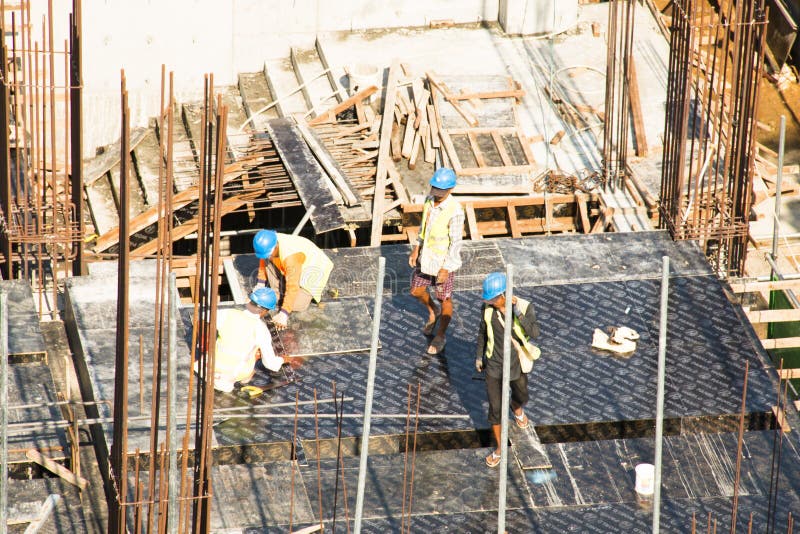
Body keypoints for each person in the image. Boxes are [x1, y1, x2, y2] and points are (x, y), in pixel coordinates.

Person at [475, 272, 540, 468]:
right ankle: (500, 449)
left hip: (516, 364)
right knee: (495, 410)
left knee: (522, 394)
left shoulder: (524, 307)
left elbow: (535, 333)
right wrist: (479, 356)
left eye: (494, 298)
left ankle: (517, 407)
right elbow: (482, 333)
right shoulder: (487, 309)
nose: (491, 302)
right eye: (489, 299)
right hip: (494, 365)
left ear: (505, 294)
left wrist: (515, 312)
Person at [408, 167, 464, 355]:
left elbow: (456, 242)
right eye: (435, 190)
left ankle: (440, 335)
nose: (437, 195)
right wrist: (416, 248)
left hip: (442, 262)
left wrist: (446, 268)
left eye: (441, 192)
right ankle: (434, 310)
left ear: (451, 189)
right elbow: (424, 228)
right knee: (416, 291)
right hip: (426, 258)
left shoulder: (455, 211)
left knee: (444, 298)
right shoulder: (429, 201)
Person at [205, 287, 287, 393]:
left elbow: (202, 318)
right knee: (256, 352)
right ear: (265, 311)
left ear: (250, 301)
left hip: (210, 367)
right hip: (235, 374)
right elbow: (270, 364)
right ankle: (244, 378)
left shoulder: (227, 313)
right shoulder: (261, 329)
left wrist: (204, 344)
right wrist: (283, 360)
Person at [252, 229, 334, 331]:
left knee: (298, 305)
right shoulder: (270, 242)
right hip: (293, 266)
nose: (267, 257)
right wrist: (260, 284)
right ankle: (279, 295)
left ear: (275, 247)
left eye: (268, 254)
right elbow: (263, 259)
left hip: (313, 271)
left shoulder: (290, 257)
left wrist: (284, 313)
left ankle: (282, 298)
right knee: (268, 260)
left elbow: (292, 286)